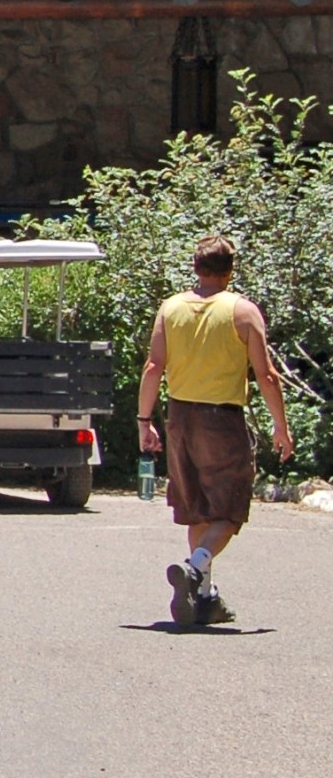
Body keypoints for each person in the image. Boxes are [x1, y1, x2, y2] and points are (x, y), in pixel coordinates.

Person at [139, 234, 294, 627]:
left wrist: (144, 421)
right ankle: (196, 567)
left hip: (180, 418)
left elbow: (153, 367)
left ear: (195, 267)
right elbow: (266, 374)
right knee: (229, 507)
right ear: (231, 269)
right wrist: (281, 425)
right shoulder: (242, 312)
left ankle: (204, 598)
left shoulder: (170, 308)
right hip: (222, 419)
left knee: (196, 509)